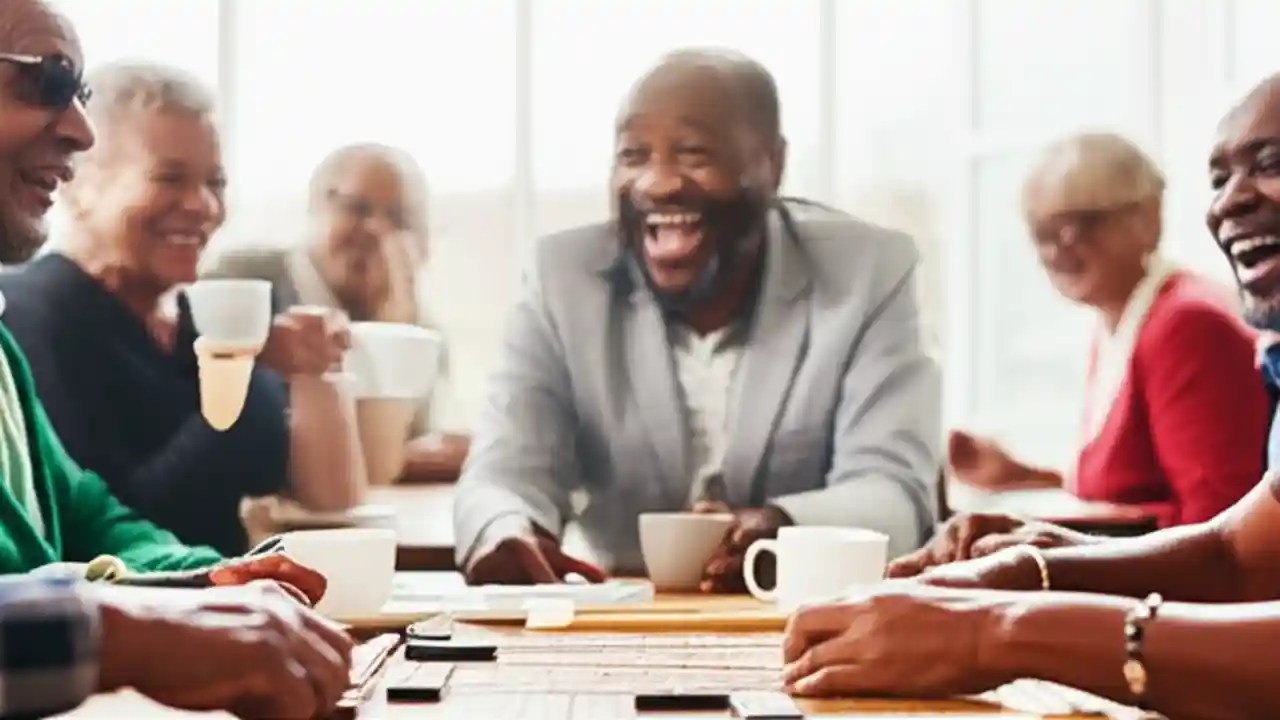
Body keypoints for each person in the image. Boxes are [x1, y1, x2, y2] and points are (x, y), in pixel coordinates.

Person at [779, 74, 1280, 720]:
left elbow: (1220, 544)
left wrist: (997, 628)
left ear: (1144, 218)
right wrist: (1024, 569)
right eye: (1218, 180)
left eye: (1270, 163)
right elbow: (1238, 555)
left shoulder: (1186, 322)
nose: (1229, 203)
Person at [454, 48, 941, 591]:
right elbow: (505, 469)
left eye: (693, 153)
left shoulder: (866, 272)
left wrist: (783, 526)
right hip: (621, 620)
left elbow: (896, 492)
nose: (657, 183)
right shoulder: (563, 278)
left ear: (771, 164)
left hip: (799, 614)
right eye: (633, 155)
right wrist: (505, 528)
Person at [0, 2, 350, 718]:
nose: (80, 130)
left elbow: (92, 518)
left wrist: (209, 581)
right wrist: (132, 635)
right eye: (45, 84)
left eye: (83, 95)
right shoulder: (45, 310)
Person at [0, 61, 368, 555]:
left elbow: (332, 499)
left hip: (225, 600)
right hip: (140, 612)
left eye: (215, 183)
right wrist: (246, 371)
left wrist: (314, 373)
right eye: (169, 178)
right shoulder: (34, 318)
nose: (202, 205)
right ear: (79, 185)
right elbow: (104, 526)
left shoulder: (206, 320)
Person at [949, 132, 1267, 527]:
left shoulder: (1186, 327)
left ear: (1148, 218)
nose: (1056, 251)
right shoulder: (1123, 317)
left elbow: (1219, 527)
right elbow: (1137, 491)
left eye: (1078, 226)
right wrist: (1018, 477)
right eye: (1042, 233)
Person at [201, 143, 468, 485]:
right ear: (316, 207)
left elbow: (396, 456)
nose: (377, 230)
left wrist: (396, 329)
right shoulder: (241, 281)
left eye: (399, 219)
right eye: (359, 208)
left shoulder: (423, 332)